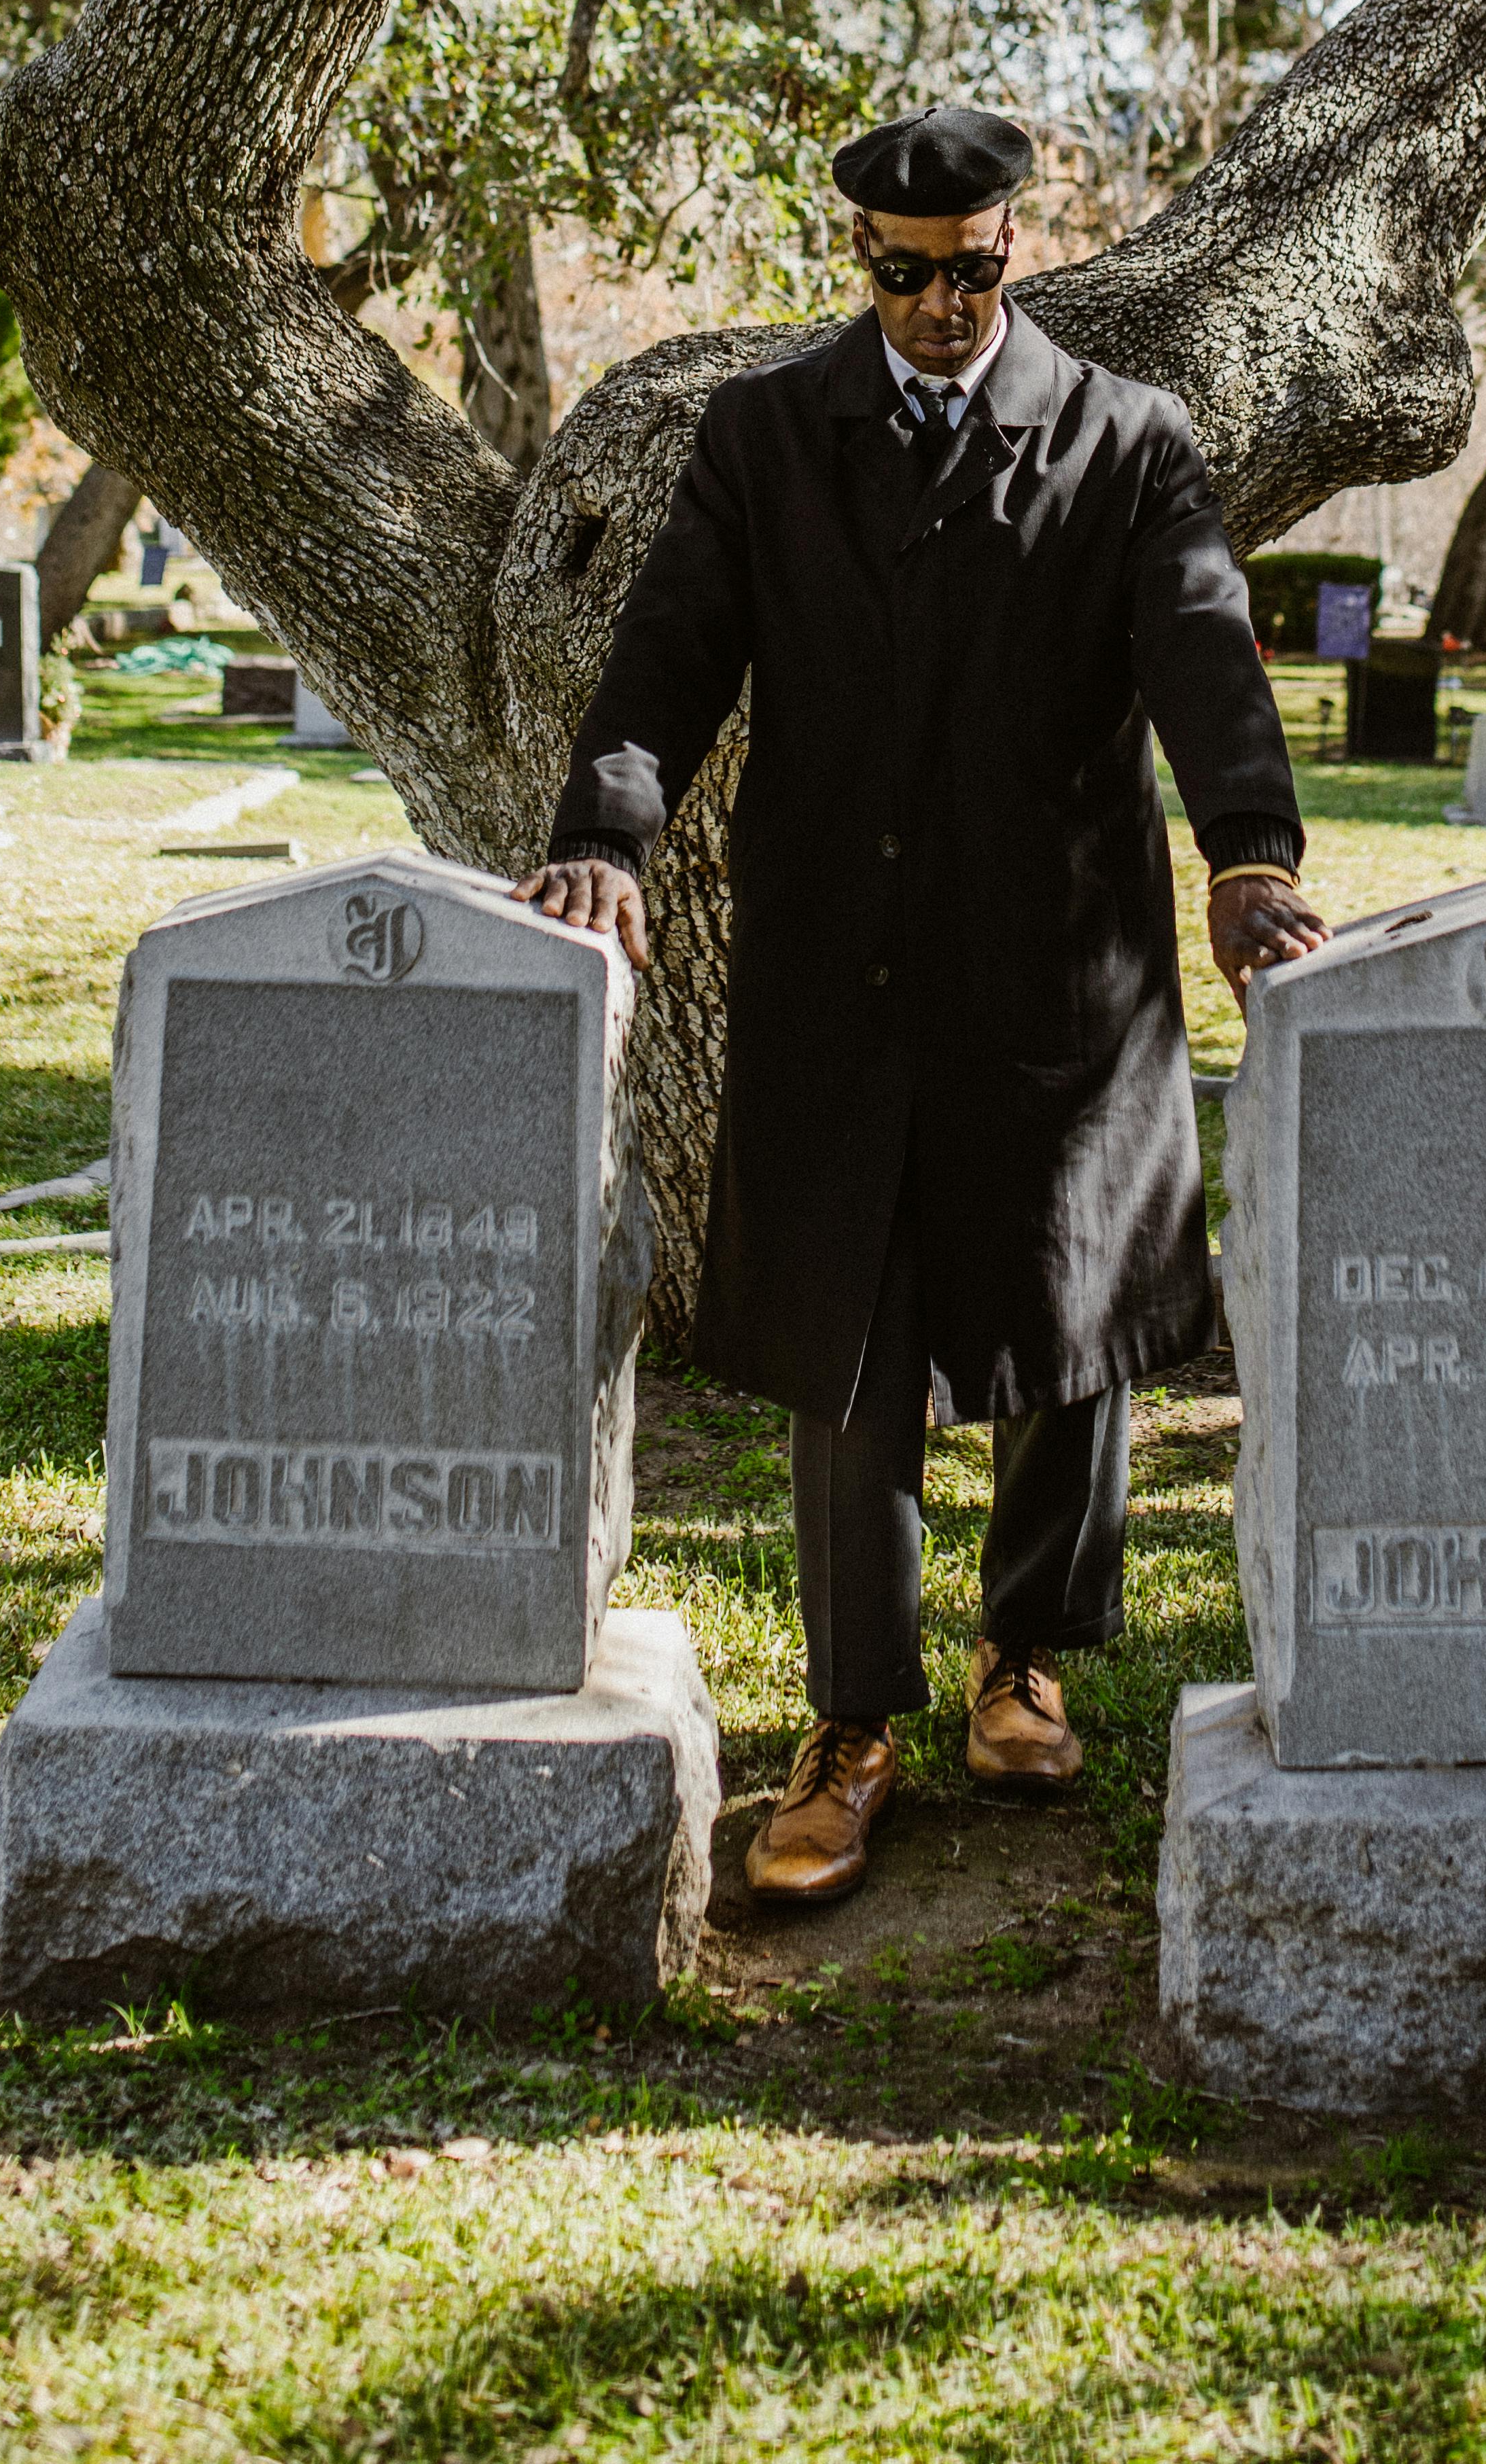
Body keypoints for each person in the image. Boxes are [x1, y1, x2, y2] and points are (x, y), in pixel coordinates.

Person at [525, 99, 1328, 1905]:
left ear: (1013, 255)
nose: (941, 308)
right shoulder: (765, 438)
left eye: (969, 275)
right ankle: (851, 1721)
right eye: (904, 277)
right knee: (851, 1339)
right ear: (861, 263)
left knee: (1073, 1306)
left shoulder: (1128, 444)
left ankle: (1027, 1653)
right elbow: (670, 653)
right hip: (843, 956)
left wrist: (1250, 853)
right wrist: (608, 836)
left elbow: (1202, 649)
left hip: (1060, 952)